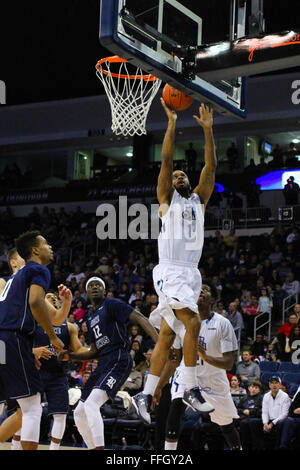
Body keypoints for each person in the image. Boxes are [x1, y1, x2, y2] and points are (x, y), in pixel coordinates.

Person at [132, 100, 217, 422]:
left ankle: (145, 392)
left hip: (191, 273)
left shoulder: (200, 199)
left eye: (184, 175)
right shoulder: (166, 200)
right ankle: (191, 386)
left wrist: (208, 131)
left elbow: (210, 167)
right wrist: (171, 125)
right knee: (192, 323)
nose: (179, 176)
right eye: (176, 175)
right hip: (170, 270)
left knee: (168, 335)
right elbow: (166, 160)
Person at [58, 276, 158, 450]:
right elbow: (94, 351)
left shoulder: (111, 304)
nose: (95, 287)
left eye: (99, 285)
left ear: (104, 291)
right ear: (86, 292)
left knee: (91, 405)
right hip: (103, 363)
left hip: (119, 358)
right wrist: (71, 356)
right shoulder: (89, 317)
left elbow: (140, 318)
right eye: (91, 285)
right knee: (79, 413)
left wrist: (159, 343)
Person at [151, 284, 241, 451]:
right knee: (176, 405)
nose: (200, 290)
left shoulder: (223, 323)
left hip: (214, 378)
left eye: (206, 289)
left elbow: (229, 363)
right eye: (198, 288)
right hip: (187, 373)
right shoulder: (181, 323)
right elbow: (174, 361)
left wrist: (205, 356)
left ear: (212, 299)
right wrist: (159, 385)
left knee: (226, 424)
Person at [0, 231, 64, 450]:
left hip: (4, 341)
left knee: (21, 408)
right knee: (32, 408)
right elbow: (36, 302)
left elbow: (51, 313)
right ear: (35, 250)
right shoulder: (38, 269)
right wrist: (53, 336)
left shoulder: (16, 277)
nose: (50, 247)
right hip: (13, 338)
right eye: (46, 243)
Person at [262, 375, 290, 450]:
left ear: (280, 385)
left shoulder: (285, 396)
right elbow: (264, 411)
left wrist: (272, 424)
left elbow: (285, 414)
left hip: (280, 421)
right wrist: (265, 423)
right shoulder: (266, 396)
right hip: (269, 421)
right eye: (272, 383)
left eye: (276, 383)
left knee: (279, 425)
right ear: (269, 385)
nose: (274, 385)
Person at [237, 380, 264, 450]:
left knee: (248, 423)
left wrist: (250, 412)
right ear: (249, 388)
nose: (254, 389)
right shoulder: (244, 398)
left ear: (259, 390)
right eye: (252, 387)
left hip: (256, 417)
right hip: (244, 417)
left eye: (256, 387)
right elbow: (238, 408)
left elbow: (262, 411)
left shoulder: (261, 398)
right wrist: (243, 411)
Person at [279, 384, 300, 449]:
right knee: (286, 421)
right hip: (296, 418)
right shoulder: (299, 394)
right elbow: (291, 408)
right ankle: (282, 446)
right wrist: (294, 411)